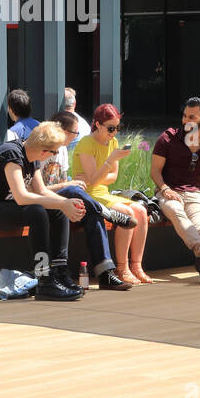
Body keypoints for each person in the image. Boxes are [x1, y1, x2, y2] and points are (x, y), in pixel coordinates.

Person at [0, 121, 87, 301]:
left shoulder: (32, 156)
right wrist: (62, 203)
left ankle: (59, 272)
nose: (56, 154)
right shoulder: (11, 154)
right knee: (37, 212)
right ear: (45, 151)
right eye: (55, 151)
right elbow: (21, 197)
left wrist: (67, 204)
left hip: (2, 206)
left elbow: (42, 191)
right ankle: (44, 279)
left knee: (56, 210)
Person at [44, 110, 133, 289]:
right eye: (75, 133)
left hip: (61, 200)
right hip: (43, 202)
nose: (76, 138)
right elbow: (37, 190)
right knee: (71, 188)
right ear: (62, 131)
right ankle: (107, 212)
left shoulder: (61, 151)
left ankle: (105, 274)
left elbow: (63, 183)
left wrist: (70, 185)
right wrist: (69, 185)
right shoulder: (41, 150)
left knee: (93, 216)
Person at [151, 97, 200, 284]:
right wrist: (164, 189)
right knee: (177, 212)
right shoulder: (168, 138)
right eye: (184, 116)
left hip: (195, 194)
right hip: (168, 191)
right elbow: (155, 171)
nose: (186, 120)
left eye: (191, 117)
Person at [73, 103, 153, 286]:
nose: (114, 132)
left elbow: (112, 178)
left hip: (102, 192)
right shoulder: (87, 143)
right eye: (111, 128)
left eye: (118, 127)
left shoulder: (113, 143)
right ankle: (122, 268)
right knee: (127, 213)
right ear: (98, 125)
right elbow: (93, 181)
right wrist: (108, 163)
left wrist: (94, 175)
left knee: (140, 210)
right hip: (87, 195)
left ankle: (137, 266)